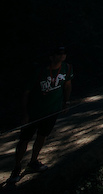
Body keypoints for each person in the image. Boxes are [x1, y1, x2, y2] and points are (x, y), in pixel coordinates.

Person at [5, 46, 73, 187]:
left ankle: (33, 161)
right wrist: (25, 113)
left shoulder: (67, 69)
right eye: (58, 53)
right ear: (51, 56)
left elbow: (67, 85)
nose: (62, 56)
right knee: (24, 139)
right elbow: (26, 92)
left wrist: (65, 103)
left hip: (51, 111)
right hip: (34, 112)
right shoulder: (39, 71)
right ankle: (16, 168)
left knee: (43, 136)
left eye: (64, 53)